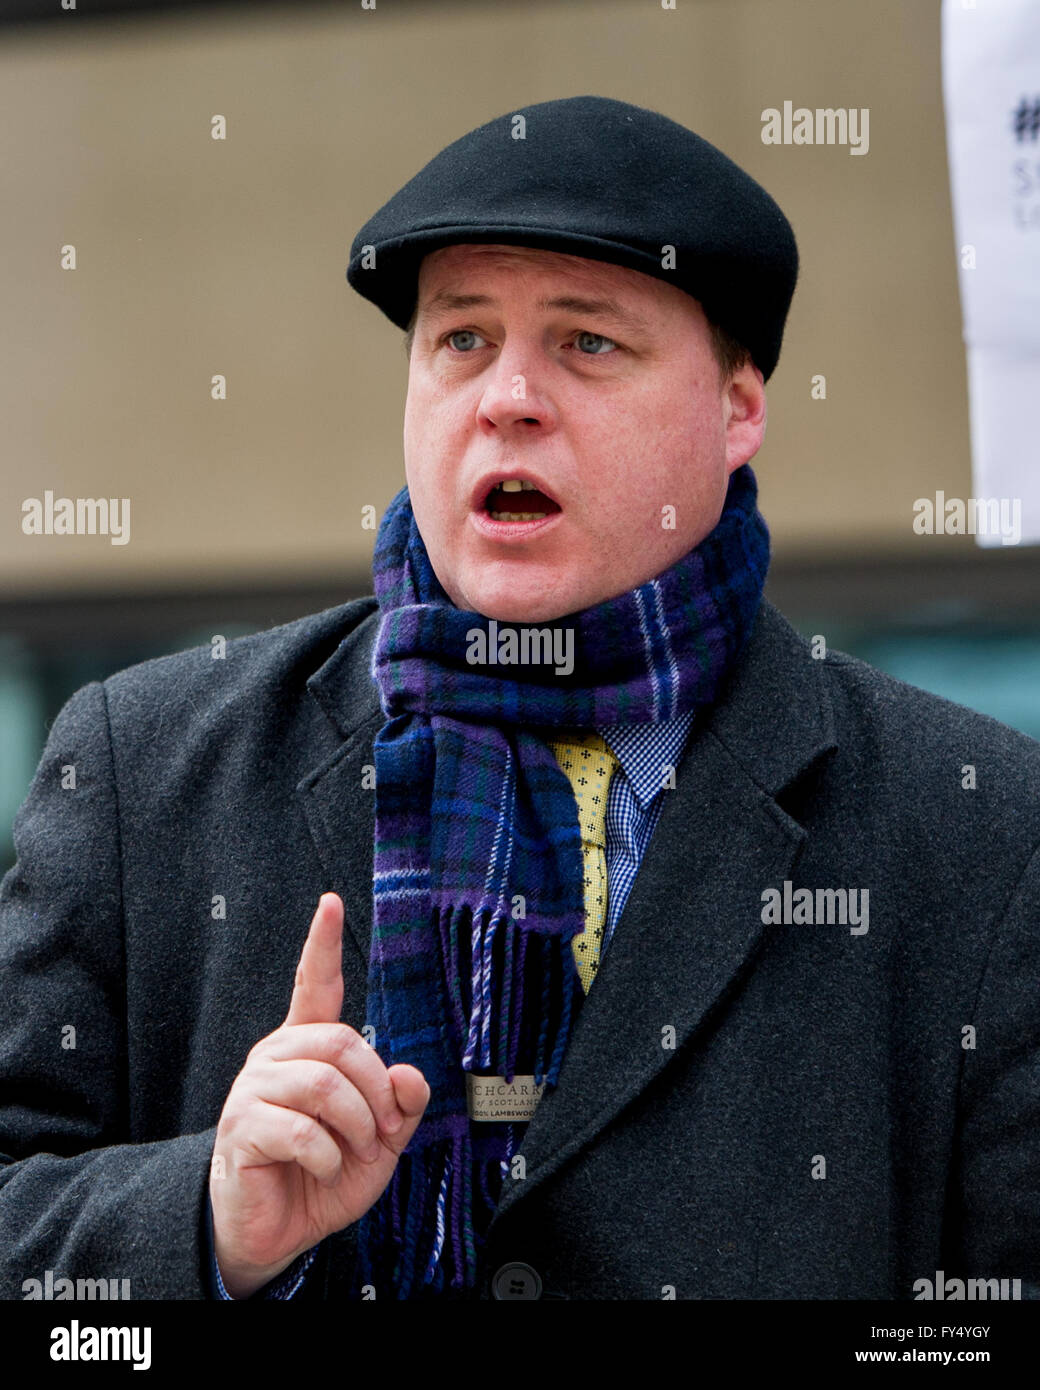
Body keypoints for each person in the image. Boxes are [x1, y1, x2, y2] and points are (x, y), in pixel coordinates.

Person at [2, 95, 1038, 1303]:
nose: (506, 396)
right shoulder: (145, 766)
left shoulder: (977, 826)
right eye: (460, 340)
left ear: (739, 404)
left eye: (587, 342)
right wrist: (204, 1223)